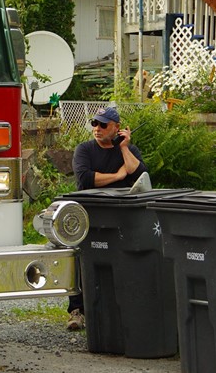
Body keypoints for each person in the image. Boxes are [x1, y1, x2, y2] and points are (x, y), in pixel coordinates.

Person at [66, 106, 149, 331]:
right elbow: (86, 178)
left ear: (117, 128)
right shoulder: (84, 150)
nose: (97, 129)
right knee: (81, 259)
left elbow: (140, 175)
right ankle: (77, 310)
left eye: (103, 125)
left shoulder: (128, 149)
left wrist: (123, 147)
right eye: (94, 123)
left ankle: (121, 306)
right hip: (90, 213)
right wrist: (119, 176)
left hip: (120, 215)